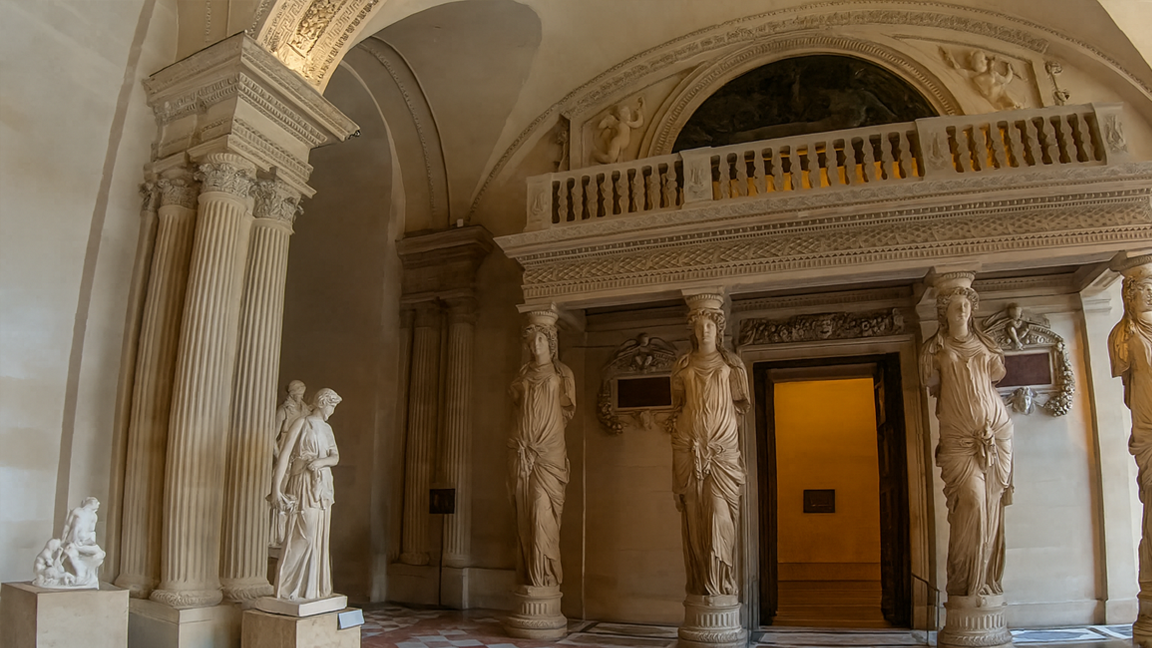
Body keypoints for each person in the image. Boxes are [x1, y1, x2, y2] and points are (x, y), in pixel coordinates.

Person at [920, 273, 1013, 598]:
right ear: (943, 311)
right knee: (971, 503)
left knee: (991, 506)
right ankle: (964, 583)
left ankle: (984, 583)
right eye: (955, 306)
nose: (962, 311)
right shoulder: (934, 349)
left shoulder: (988, 345)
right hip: (958, 438)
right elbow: (932, 384)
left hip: (996, 433)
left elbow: (996, 377)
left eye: (966, 305)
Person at [669, 296, 748, 597]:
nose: (705, 331)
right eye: (700, 326)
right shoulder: (683, 366)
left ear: (719, 329)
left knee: (719, 515)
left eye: (710, 325)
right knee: (694, 519)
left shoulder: (732, 365)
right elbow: (678, 408)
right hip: (689, 448)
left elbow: (740, 407)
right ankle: (701, 585)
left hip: (722, 451)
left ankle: (721, 585)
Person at [508, 318, 574, 588]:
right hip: (523, 450)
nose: (535, 345)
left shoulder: (563, 374)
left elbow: (568, 410)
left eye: (541, 340)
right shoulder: (522, 375)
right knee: (526, 514)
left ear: (551, 343)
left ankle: (546, 579)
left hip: (550, 453)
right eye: (531, 341)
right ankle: (531, 579)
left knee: (541, 512)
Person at [270, 387, 342, 600]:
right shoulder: (301, 423)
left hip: (321, 487)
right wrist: (276, 489)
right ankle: (287, 588)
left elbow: (335, 457)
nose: (332, 410)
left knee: (317, 536)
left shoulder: (327, 429)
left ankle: (311, 589)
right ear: (321, 402)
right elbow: (284, 456)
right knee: (303, 534)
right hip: (302, 484)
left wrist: (320, 462)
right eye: (332, 405)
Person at [1109, 253, 1152, 591]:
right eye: (1143, 289)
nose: (1149, 295)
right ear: (1128, 295)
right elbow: (1127, 385)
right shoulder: (1124, 334)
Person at [270, 380, 309, 549]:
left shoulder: (306, 410)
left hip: (300, 453)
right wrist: (280, 457)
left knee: (298, 492)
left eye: (302, 392)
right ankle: (277, 535)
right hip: (286, 452)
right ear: (291, 393)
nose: (300, 396)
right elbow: (272, 436)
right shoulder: (284, 410)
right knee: (282, 494)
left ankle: (293, 534)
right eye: (297, 392)